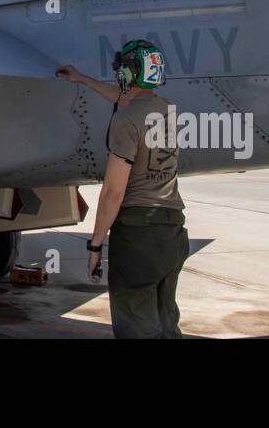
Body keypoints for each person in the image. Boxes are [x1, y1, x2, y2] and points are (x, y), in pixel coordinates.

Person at [56, 39, 188, 339]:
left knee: (137, 329)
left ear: (129, 74)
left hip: (138, 238)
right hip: (173, 234)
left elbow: (113, 192)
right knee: (166, 325)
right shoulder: (169, 111)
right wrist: (83, 79)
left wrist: (94, 245)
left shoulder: (125, 119)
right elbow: (125, 99)